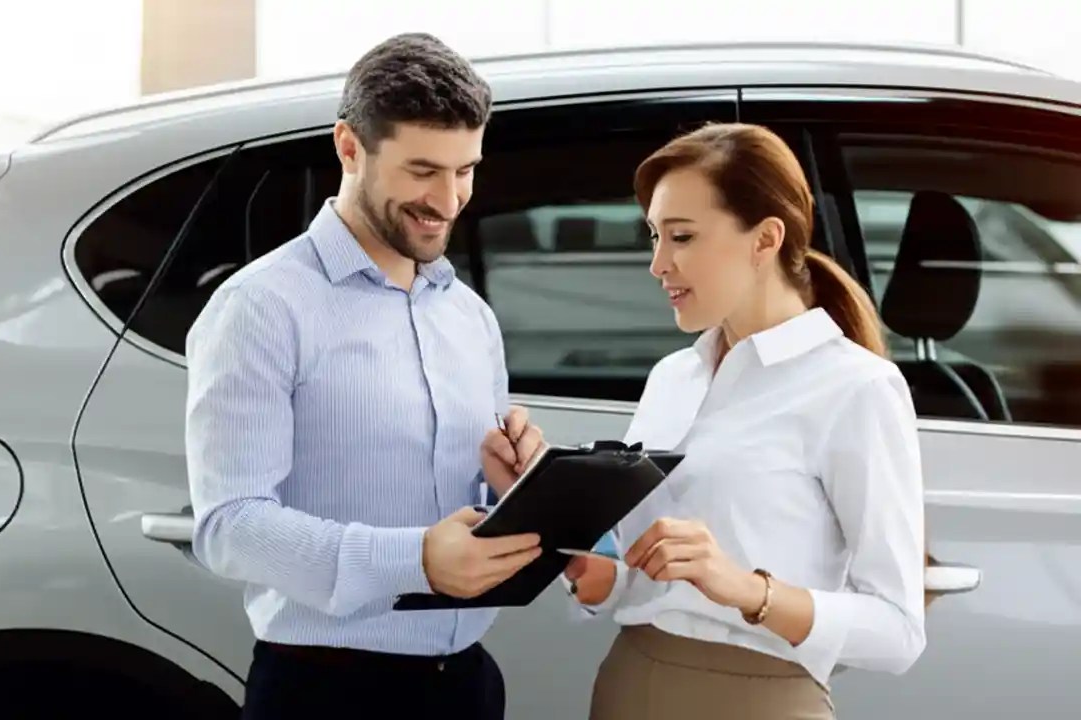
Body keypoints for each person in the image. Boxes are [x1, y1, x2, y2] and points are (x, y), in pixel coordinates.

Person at [184, 33, 543, 720]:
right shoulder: (260, 308)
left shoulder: (468, 316)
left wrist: (518, 489)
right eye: (422, 170)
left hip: (466, 685)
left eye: (466, 169)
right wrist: (416, 560)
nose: (449, 198)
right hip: (328, 695)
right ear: (349, 147)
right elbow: (228, 526)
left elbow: (466, 520)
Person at [561, 123, 928, 719]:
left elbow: (898, 631)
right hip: (628, 684)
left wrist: (745, 588)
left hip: (758, 699)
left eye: (681, 236)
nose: (658, 263)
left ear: (765, 239)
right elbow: (634, 577)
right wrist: (593, 570)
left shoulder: (857, 388)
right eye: (654, 236)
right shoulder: (672, 377)